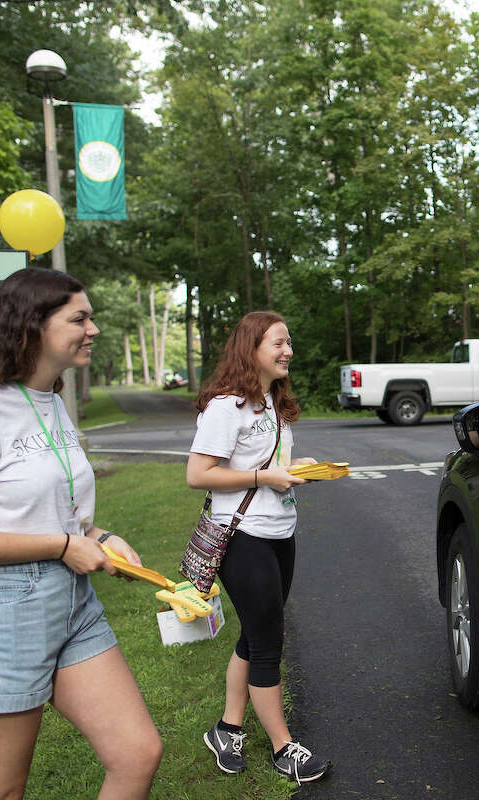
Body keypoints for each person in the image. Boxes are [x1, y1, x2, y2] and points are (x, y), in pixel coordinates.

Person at [0, 267, 163, 799]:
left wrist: (99, 534)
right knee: (0, 791)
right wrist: (64, 546)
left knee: (137, 754)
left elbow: (63, 512)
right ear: (32, 326)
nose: (93, 329)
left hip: (72, 604)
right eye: (79, 318)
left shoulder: (51, 402)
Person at [186, 310, 330, 784]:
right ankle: (283, 747)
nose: (288, 350)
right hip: (241, 537)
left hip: (279, 534)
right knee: (268, 642)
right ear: (252, 349)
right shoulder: (226, 406)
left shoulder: (271, 401)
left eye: (289, 342)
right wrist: (263, 476)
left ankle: (227, 729)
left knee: (253, 634)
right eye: (278, 343)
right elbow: (198, 474)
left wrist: (296, 465)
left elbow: (273, 463)